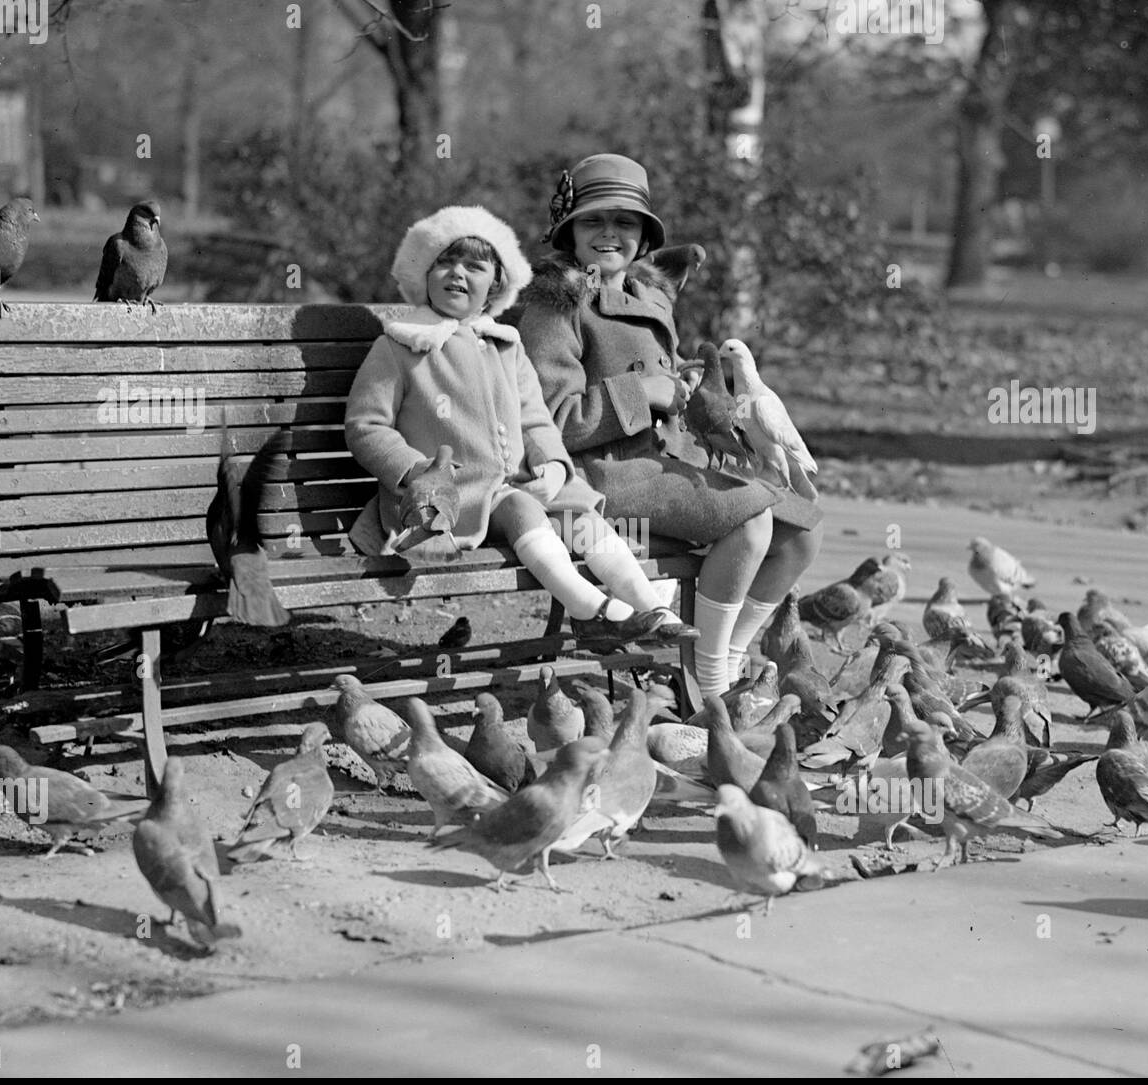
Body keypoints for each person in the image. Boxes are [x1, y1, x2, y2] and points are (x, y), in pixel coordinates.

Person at [517, 154, 823, 697]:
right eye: (593, 221)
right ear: (569, 231)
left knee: (803, 532)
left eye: (625, 223)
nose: (610, 233)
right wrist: (642, 393)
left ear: (642, 236)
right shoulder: (554, 305)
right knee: (750, 520)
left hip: (664, 459)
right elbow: (550, 421)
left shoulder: (645, 294)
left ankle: (726, 658)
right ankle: (708, 686)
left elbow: (659, 374)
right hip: (599, 477)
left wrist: (679, 385)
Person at [345, 204, 698, 650]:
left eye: (474, 266)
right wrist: (416, 472)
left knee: (580, 512)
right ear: (422, 272)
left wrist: (552, 464)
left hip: (510, 487)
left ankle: (651, 610)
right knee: (524, 510)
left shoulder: (504, 347)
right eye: (444, 263)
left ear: (495, 284)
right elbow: (366, 426)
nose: (458, 274)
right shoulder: (401, 346)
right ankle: (591, 611)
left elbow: (535, 418)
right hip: (443, 502)